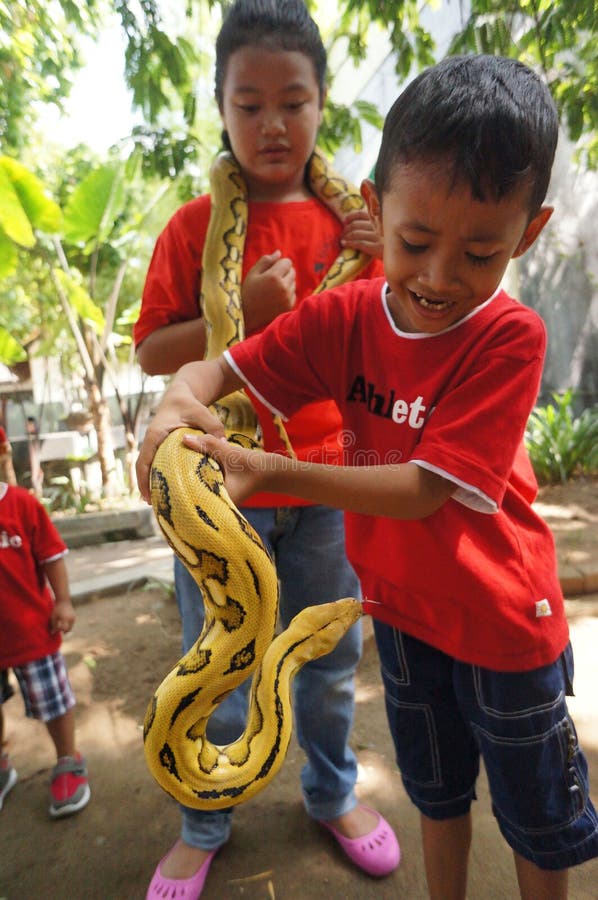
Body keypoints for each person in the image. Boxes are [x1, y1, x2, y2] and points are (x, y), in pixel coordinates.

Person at [136, 54, 598, 900]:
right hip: (405, 615)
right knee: (435, 794)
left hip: (503, 622)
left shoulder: (510, 337)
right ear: (374, 209)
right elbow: (217, 372)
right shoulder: (344, 317)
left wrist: (272, 468)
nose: (438, 277)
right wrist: (175, 404)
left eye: (481, 252)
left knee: (536, 819)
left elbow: (424, 487)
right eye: (415, 242)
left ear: (527, 236)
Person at [134, 1, 398, 896]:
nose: (273, 123)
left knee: (326, 665)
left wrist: (388, 266)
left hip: (329, 480)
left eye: (294, 101)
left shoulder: (363, 223)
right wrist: (236, 313)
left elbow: (391, 342)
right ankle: (204, 817)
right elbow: (149, 351)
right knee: (218, 660)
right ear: (221, 107)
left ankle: (330, 794)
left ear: (324, 105)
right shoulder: (190, 227)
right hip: (217, 488)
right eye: (250, 104)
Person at [0, 477, 90, 818]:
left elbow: (52, 556)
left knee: (53, 702)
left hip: (31, 630)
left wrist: (63, 601)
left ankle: (68, 759)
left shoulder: (22, 504)